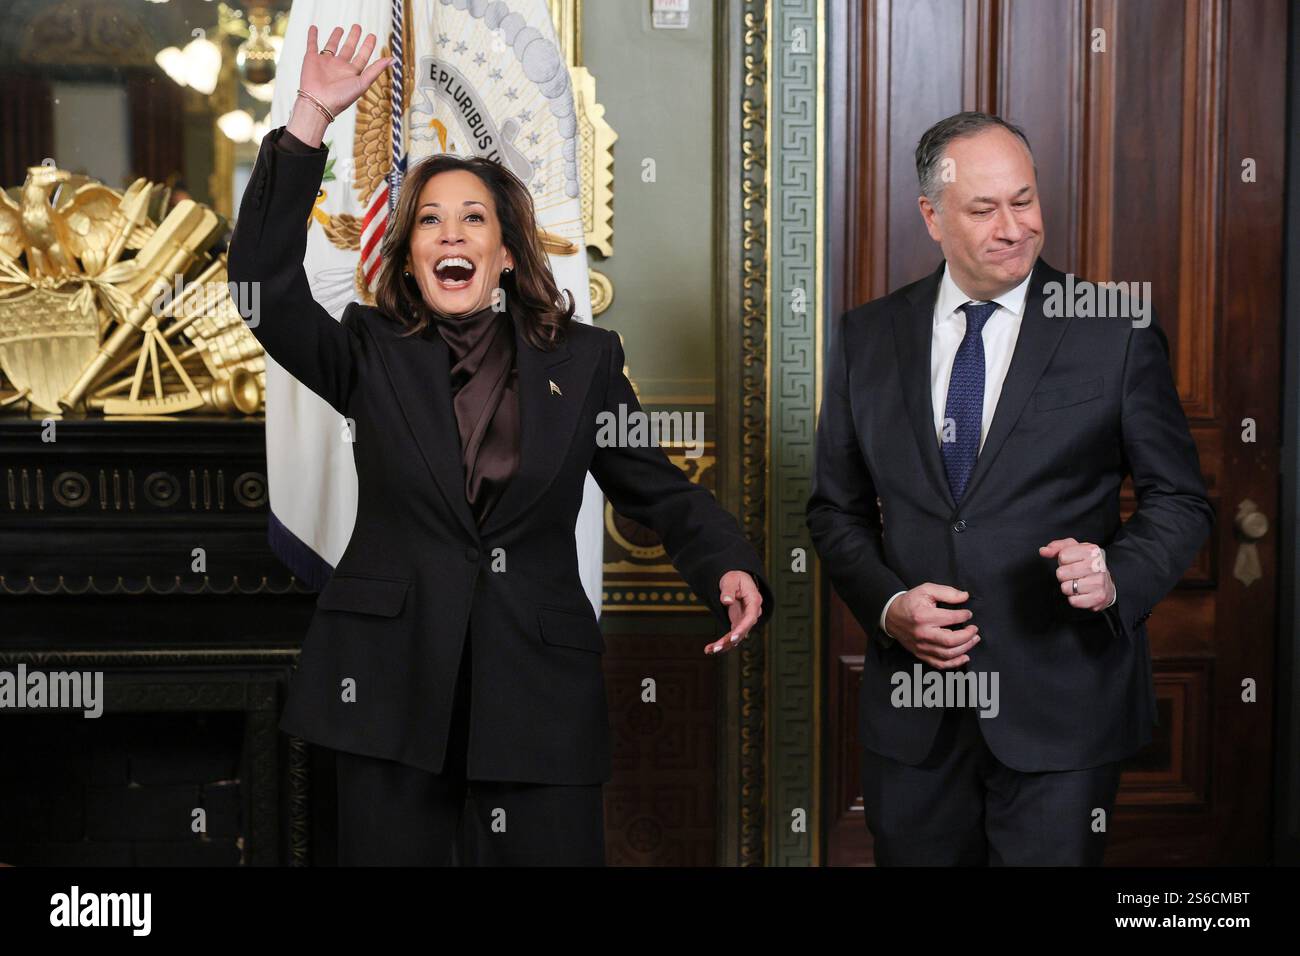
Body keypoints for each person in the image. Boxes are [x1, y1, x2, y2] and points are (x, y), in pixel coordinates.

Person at [227, 24, 771, 866]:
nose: (451, 234)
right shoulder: (367, 352)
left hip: (537, 698)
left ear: (506, 253)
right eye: (431, 222)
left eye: (473, 219)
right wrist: (309, 118)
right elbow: (261, 291)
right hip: (390, 689)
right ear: (408, 255)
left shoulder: (584, 363)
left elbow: (652, 484)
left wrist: (726, 561)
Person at [806, 111, 1212, 866]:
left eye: (1024, 201)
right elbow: (837, 510)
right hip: (917, 712)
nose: (1013, 228)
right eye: (984, 209)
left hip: (1063, 704)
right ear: (932, 216)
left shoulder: (1113, 329)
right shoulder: (868, 336)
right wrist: (891, 608)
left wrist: (1115, 574)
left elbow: (1181, 499)